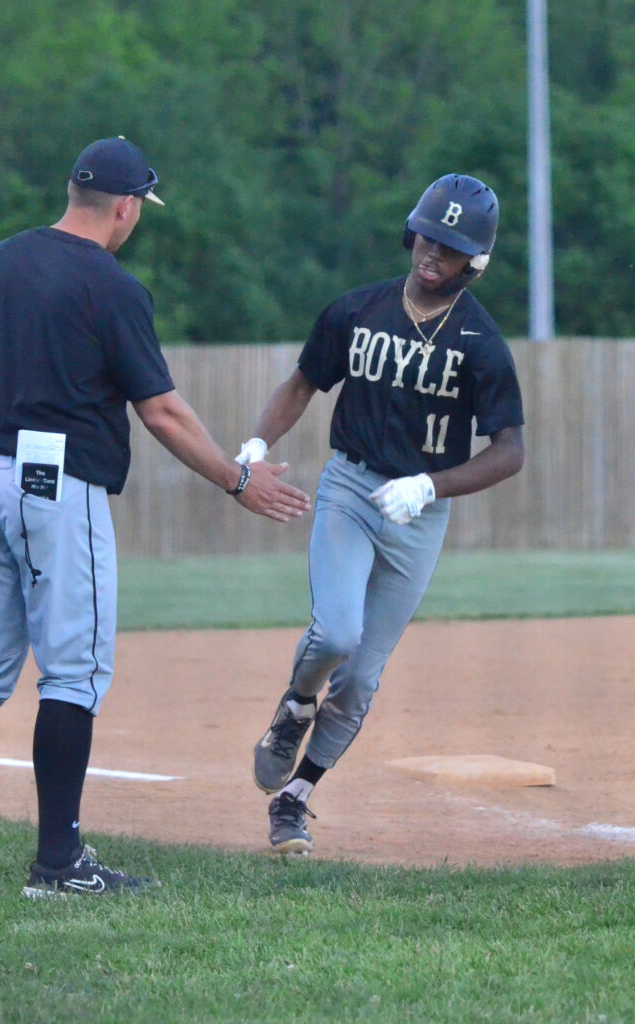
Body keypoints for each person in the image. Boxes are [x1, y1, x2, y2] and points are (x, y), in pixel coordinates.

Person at [0, 136, 310, 899]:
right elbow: (160, 411)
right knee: (75, 672)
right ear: (126, 207)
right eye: (139, 210)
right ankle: (59, 865)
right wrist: (237, 479)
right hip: (56, 482)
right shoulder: (111, 285)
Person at [241, 173, 525, 855]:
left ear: (474, 262)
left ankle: (297, 797)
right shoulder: (356, 311)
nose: (435, 252)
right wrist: (255, 446)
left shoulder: (481, 343)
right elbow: (304, 382)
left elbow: (510, 451)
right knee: (335, 634)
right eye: (429, 235)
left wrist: (429, 487)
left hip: (418, 515)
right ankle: (295, 707)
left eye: (452, 246)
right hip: (351, 487)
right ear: (411, 232)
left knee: (363, 677)